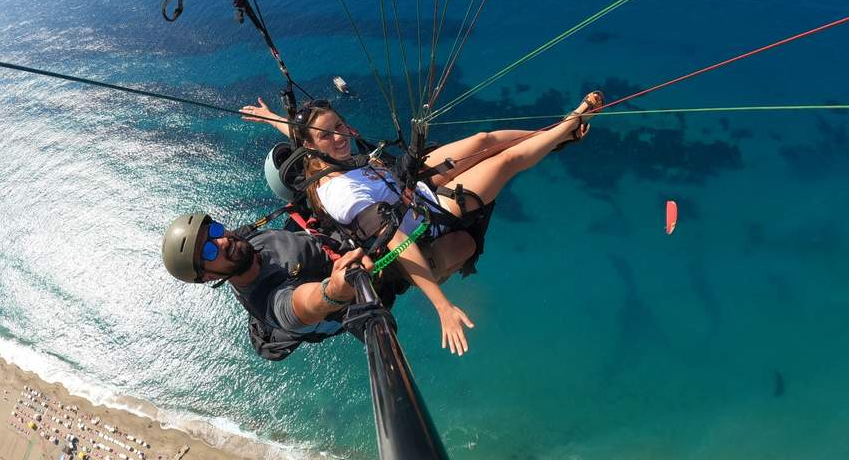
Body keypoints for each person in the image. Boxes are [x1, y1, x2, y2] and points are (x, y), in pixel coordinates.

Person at [240, 91, 603, 356]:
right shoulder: (339, 194)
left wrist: (274, 117)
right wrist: (443, 306)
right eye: (327, 135)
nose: (339, 137)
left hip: (409, 187)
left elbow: (305, 136)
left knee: (484, 141)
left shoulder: (328, 157)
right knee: (503, 163)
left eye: (339, 126)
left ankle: (554, 135)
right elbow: (397, 240)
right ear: (313, 147)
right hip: (426, 222)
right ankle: (568, 128)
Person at [161, 212, 372, 360]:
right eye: (208, 251)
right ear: (208, 277)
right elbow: (298, 307)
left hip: (328, 241)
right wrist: (333, 292)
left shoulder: (240, 244)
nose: (222, 241)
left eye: (215, 230)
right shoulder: (265, 297)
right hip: (355, 276)